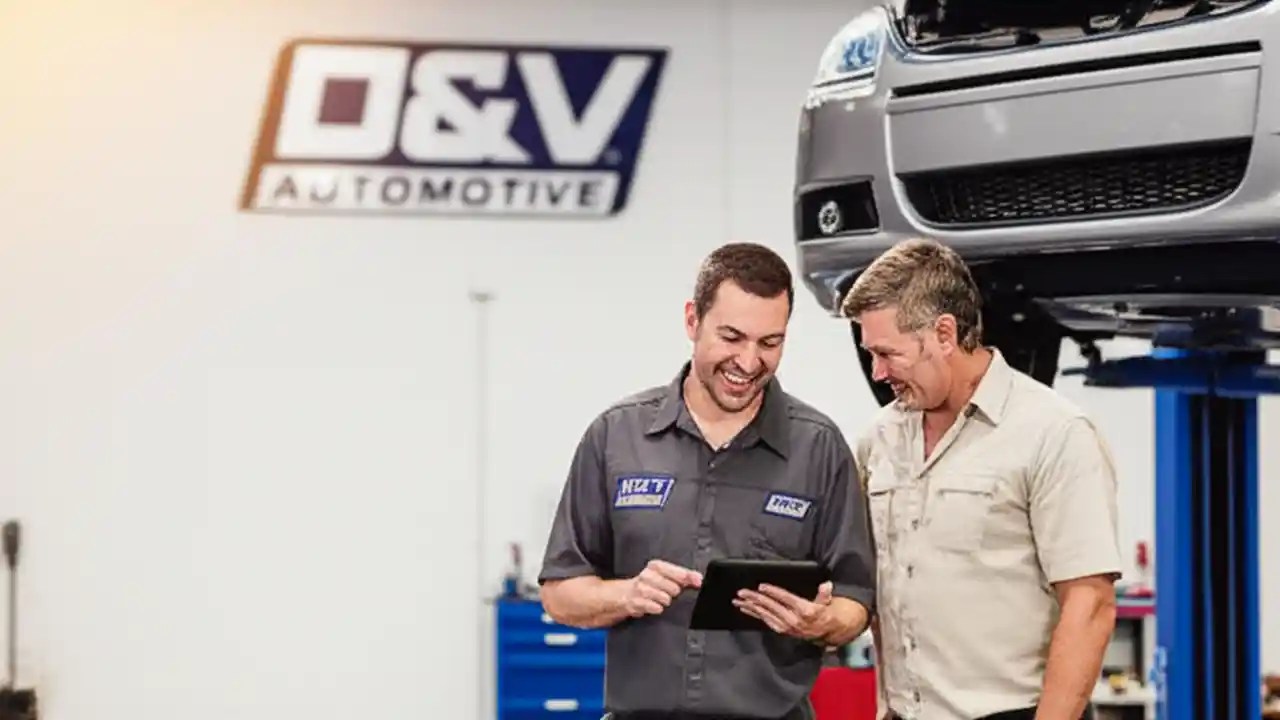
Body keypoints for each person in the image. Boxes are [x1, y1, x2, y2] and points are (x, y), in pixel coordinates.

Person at [537, 242, 876, 720]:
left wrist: (821, 622)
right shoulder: (616, 436)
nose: (749, 361)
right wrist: (626, 594)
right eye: (732, 337)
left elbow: (856, 600)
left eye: (770, 342)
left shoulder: (819, 449)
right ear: (692, 321)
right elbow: (560, 589)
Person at [839, 237, 1122, 720]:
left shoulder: (1052, 433)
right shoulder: (877, 440)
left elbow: (1089, 604)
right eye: (871, 354)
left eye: (888, 353)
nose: (877, 371)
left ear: (945, 334)